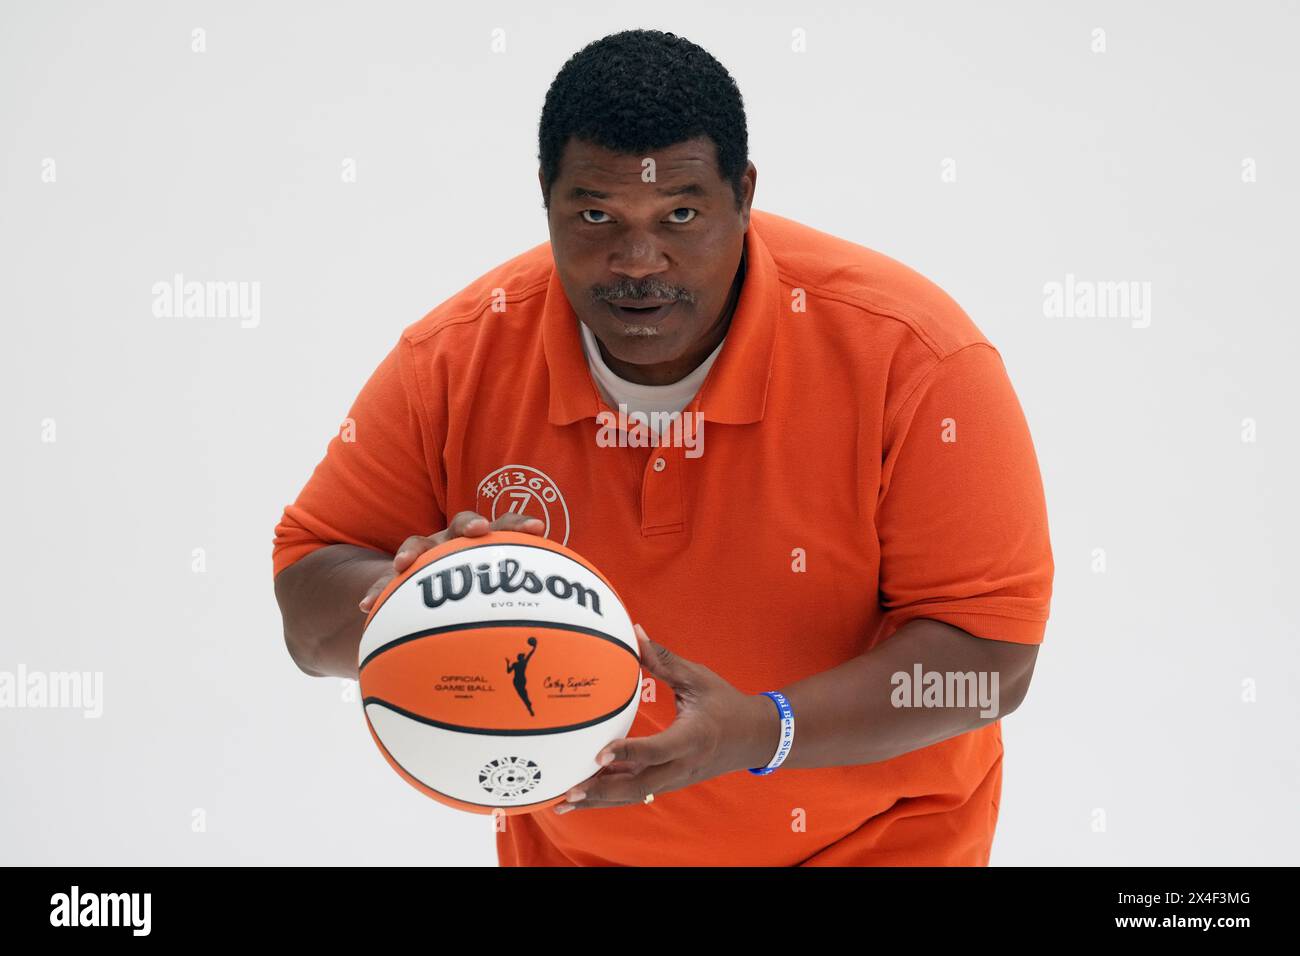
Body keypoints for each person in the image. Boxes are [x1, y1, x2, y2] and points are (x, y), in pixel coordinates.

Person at [271, 29, 1054, 866]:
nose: (638, 261)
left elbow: (990, 662)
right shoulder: (456, 360)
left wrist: (762, 731)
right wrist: (414, 599)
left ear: (742, 195)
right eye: (595, 215)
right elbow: (307, 596)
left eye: (681, 213)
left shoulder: (914, 358)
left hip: (878, 847)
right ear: (546, 196)